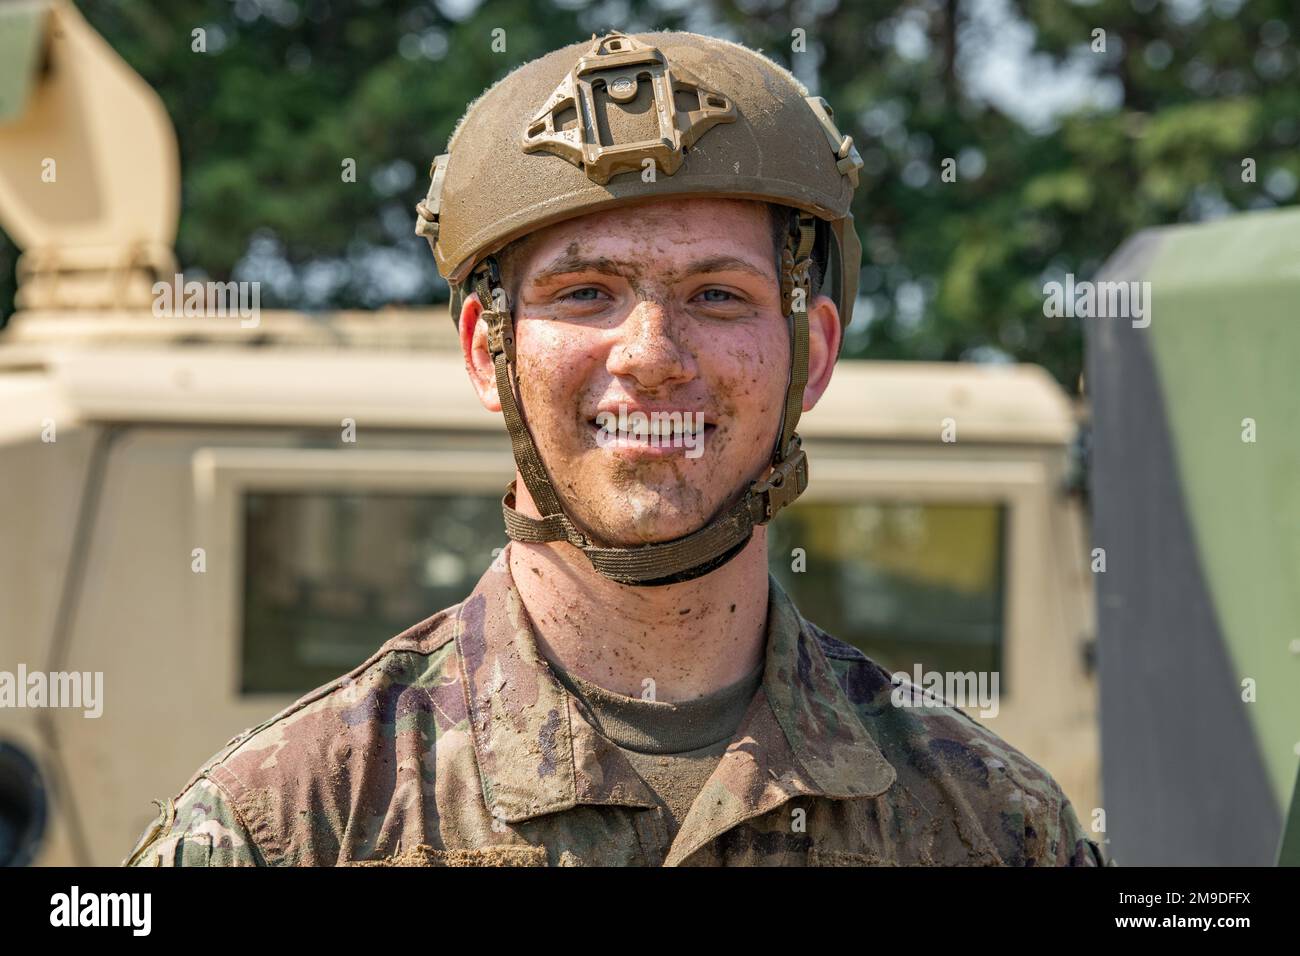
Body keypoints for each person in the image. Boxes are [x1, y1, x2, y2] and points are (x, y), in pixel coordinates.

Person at [124, 29, 1109, 867]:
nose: (651, 355)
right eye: (584, 292)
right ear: (486, 354)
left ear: (809, 355)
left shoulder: (990, 826)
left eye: (716, 294)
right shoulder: (297, 821)